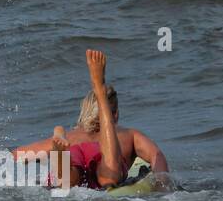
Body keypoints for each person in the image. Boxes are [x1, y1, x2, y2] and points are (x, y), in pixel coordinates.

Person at [14, 49, 169, 190]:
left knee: (67, 180)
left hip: (73, 154)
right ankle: (100, 90)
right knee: (109, 176)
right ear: (114, 114)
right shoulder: (129, 134)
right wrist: (162, 181)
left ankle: (61, 157)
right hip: (107, 167)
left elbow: (18, 154)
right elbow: (157, 155)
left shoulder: (71, 136)